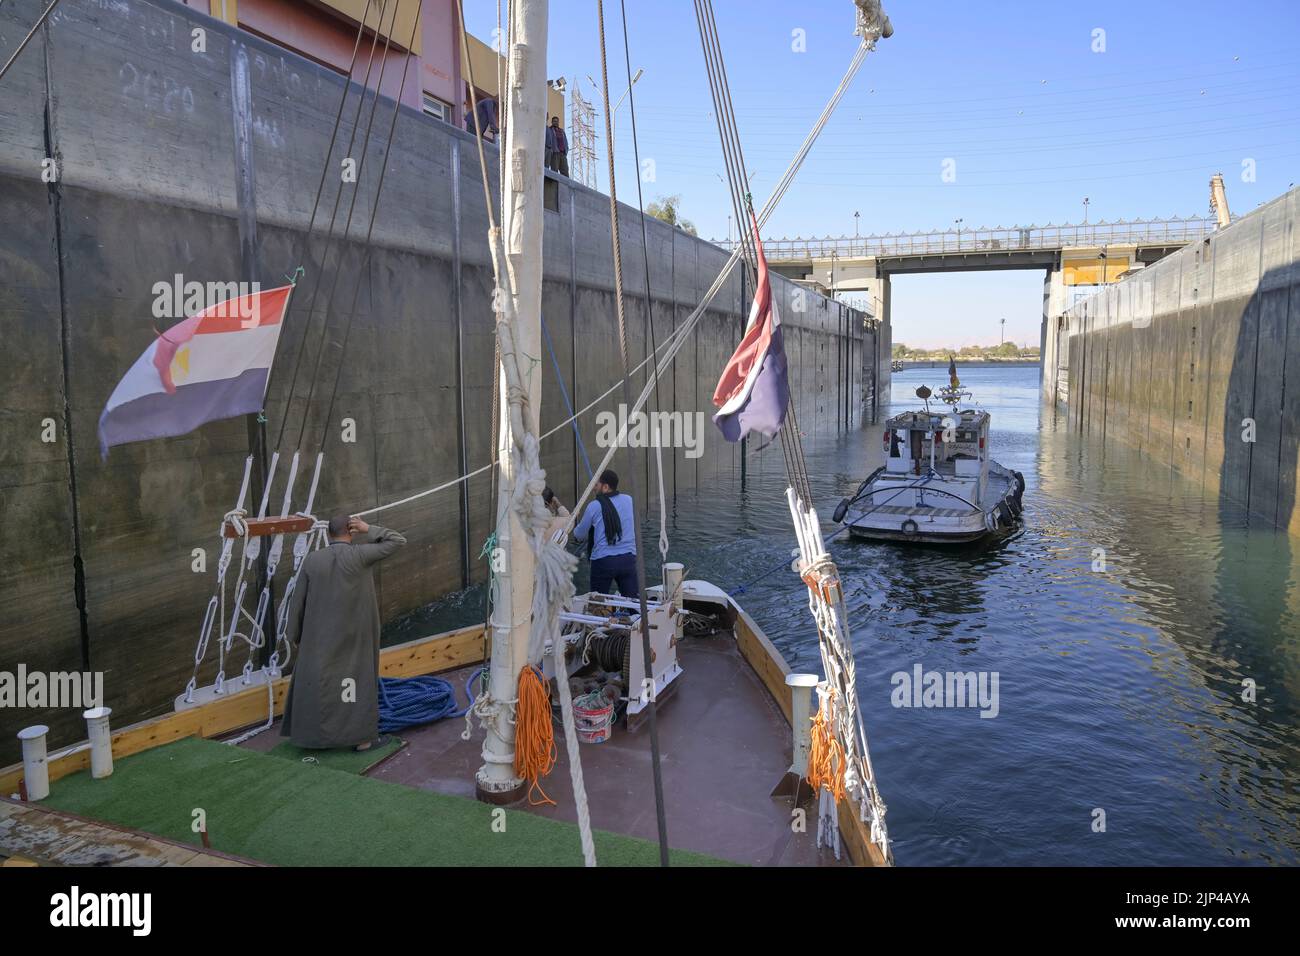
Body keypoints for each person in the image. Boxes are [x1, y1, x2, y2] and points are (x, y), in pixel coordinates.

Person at [281, 515, 407, 752]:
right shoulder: (360, 555)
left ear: (328, 534)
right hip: (355, 635)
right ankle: (362, 740)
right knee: (356, 681)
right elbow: (397, 540)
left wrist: (294, 635)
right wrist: (368, 528)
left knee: (319, 682)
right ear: (351, 532)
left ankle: (314, 737)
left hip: (318, 635)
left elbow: (297, 601)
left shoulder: (312, 560)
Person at [570, 469, 637, 597]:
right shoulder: (629, 500)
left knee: (597, 603)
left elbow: (579, 535)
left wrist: (572, 520)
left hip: (603, 561)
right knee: (633, 602)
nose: (594, 488)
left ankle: (601, 613)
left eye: (596, 485)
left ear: (605, 487)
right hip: (628, 559)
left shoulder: (594, 506)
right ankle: (634, 615)